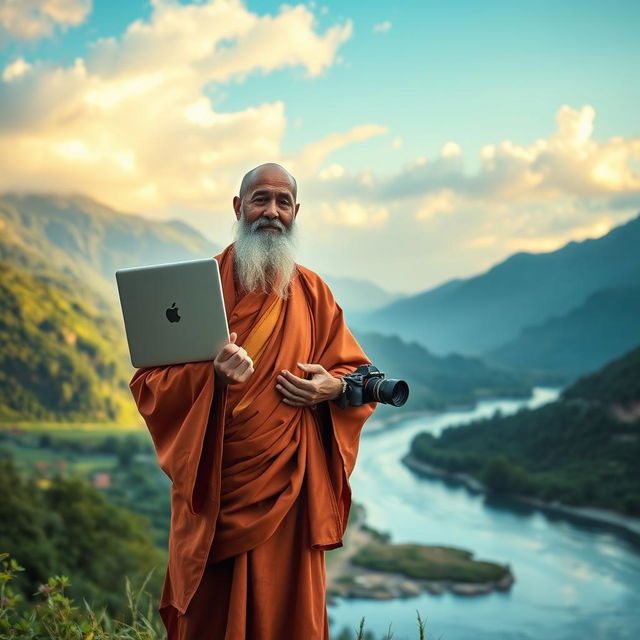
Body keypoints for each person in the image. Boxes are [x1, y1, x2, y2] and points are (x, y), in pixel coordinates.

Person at [129, 162, 377, 639]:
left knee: (286, 616)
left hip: (288, 492)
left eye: (283, 202)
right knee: (211, 616)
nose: (272, 211)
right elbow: (149, 385)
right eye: (261, 199)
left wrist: (333, 388)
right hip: (217, 491)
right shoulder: (193, 289)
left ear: (296, 212)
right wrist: (210, 378)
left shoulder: (312, 293)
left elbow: (355, 372)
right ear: (239, 207)